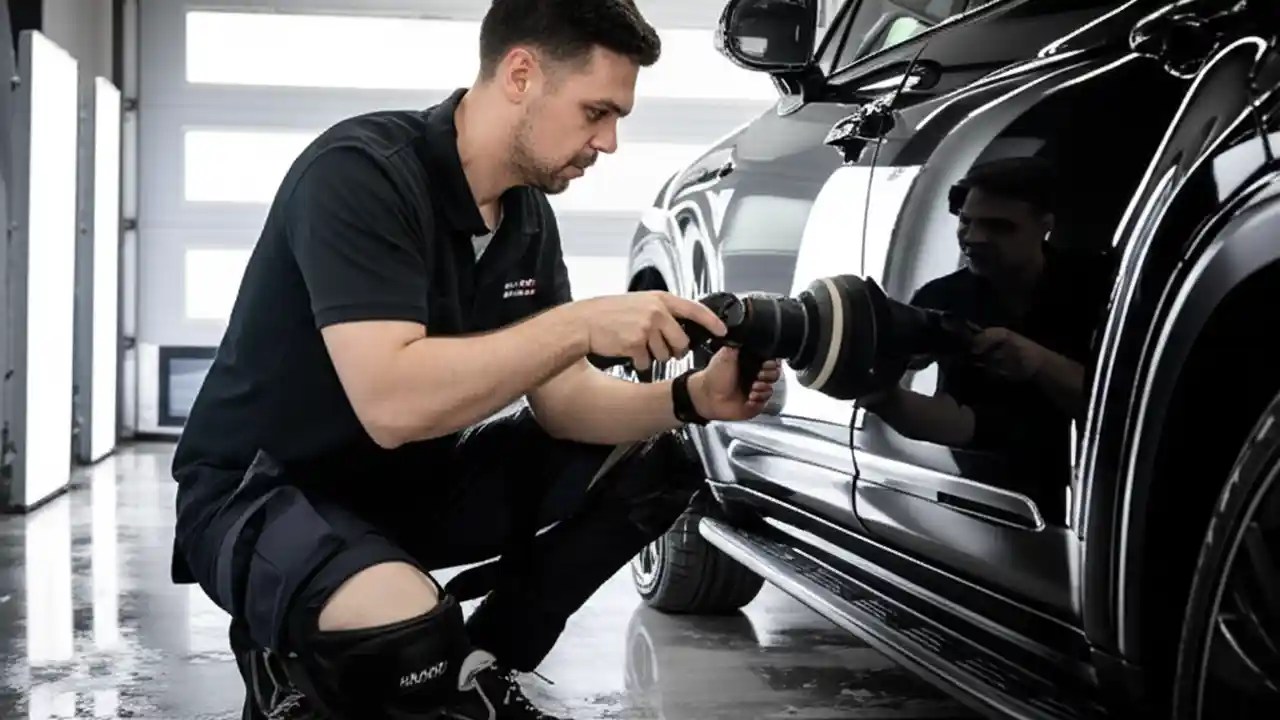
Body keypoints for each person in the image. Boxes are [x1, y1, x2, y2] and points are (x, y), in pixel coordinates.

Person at [167, 2, 782, 719]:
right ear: (521, 73)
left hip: (406, 486)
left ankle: (473, 670)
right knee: (401, 639)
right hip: (265, 492)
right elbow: (393, 406)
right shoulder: (361, 174)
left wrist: (691, 399)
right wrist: (581, 324)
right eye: (596, 112)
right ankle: (308, 663)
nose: (608, 141)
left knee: (658, 465)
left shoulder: (526, 215)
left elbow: (564, 403)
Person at [861, 157, 1114, 519]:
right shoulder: (941, 298)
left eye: (999, 226)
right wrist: (877, 386)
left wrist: (1039, 362)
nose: (974, 237)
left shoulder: (1101, 287)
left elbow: (1128, 407)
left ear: (1045, 225)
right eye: (966, 221)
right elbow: (951, 418)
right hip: (976, 499)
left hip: (1092, 502)